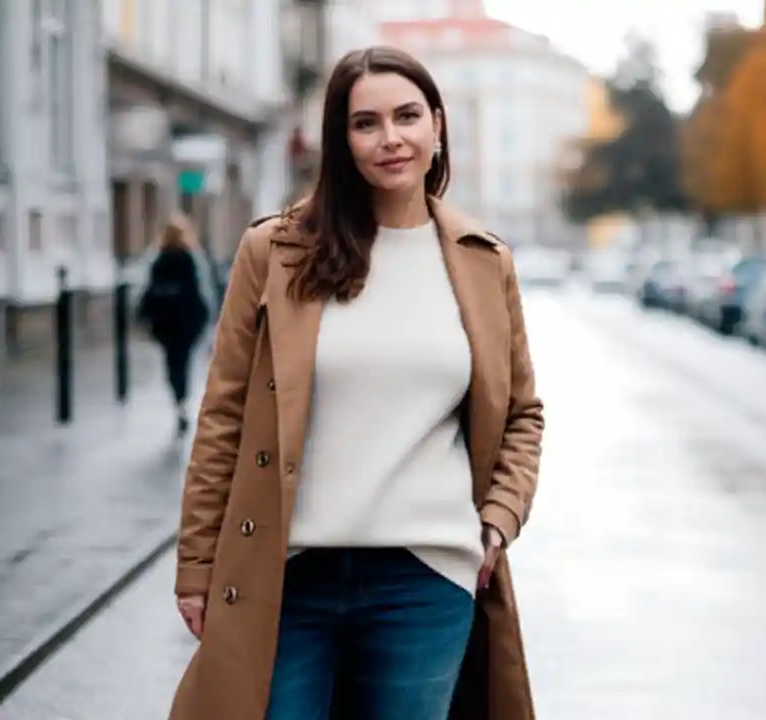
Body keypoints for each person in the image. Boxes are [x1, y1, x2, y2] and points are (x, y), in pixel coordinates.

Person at [168, 46, 544, 720]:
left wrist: (498, 519)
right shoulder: (276, 251)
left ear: (437, 125)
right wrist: (196, 565)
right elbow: (224, 415)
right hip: (286, 572)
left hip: (427, 577)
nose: (390, 138)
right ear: (341, 142)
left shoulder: (483, 262)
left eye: (407, 116)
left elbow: (521, 413)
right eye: (366, 123)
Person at [138, 214, 212, 435]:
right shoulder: (189, 258)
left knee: (173, 364)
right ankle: (182, 401)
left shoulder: (160, 259)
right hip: (186, 322)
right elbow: (200, 291)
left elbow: (149, 290)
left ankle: (179, 400)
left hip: (167, 323)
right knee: (183, 362)